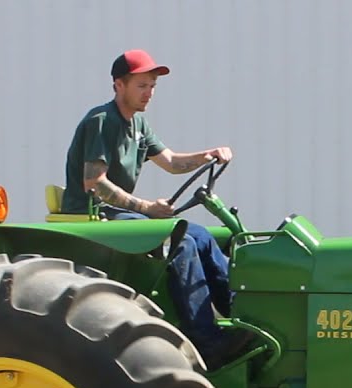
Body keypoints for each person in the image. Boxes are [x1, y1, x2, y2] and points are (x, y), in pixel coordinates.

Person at [63, 49, 251, 367]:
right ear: (118, 86)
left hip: (121, 213)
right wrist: (147, 207)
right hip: (95, 214)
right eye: (141, 85)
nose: (148, 93)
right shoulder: (102, 120)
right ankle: (206, 341)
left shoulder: (139, 125)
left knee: (201, 235)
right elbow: (95, 182)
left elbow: (173, 162)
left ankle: (240, 314)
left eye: (152, 86)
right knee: (182, 241)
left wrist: (208, 155)